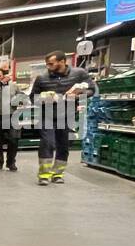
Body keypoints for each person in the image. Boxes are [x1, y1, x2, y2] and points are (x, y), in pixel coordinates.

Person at [27, 51, 96, 185]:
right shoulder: (42, 78)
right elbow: (32, 97)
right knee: (47, 143)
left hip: (67, 116)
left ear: (63, 61)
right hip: (47, 116)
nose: (48, 66)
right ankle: (44, 175)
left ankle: (57, 173)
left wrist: (78, 95)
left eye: (51, 64)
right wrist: (43, 97)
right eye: (47, 64)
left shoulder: (79, 74)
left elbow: (91, 89)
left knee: (63, 145)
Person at [0, 67, 24, 171]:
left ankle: (11, 163)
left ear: (4, 75)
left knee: (13, 140)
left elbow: (21, 95)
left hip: (12, 116)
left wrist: (19, 99)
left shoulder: (14, 86)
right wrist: (1, 84)